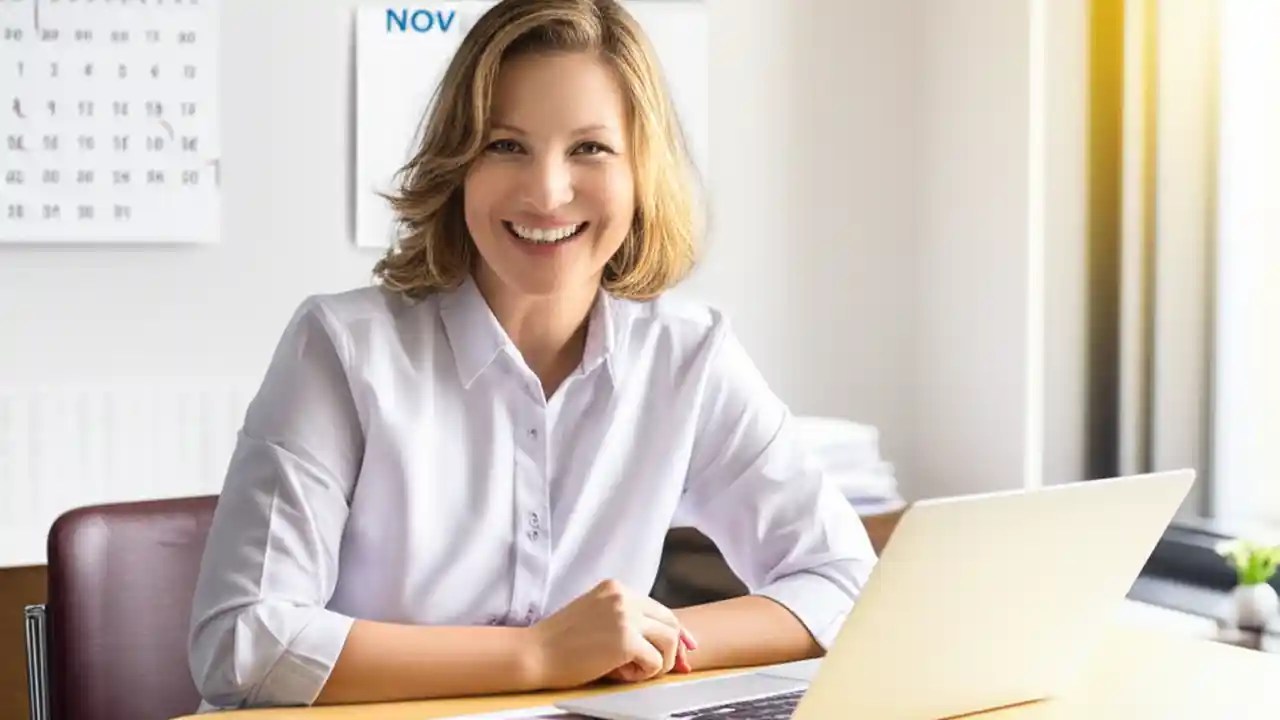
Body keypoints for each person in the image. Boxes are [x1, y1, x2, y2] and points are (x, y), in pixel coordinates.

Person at [187, 0, 876, 710]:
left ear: (642, 170)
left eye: (590, 149)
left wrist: (639, 641)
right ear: (458, 166)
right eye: (505, 145)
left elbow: (845, 580)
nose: (548, 192)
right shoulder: (339, 347)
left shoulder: (688, 355)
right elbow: (244, 645)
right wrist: (541, 652)